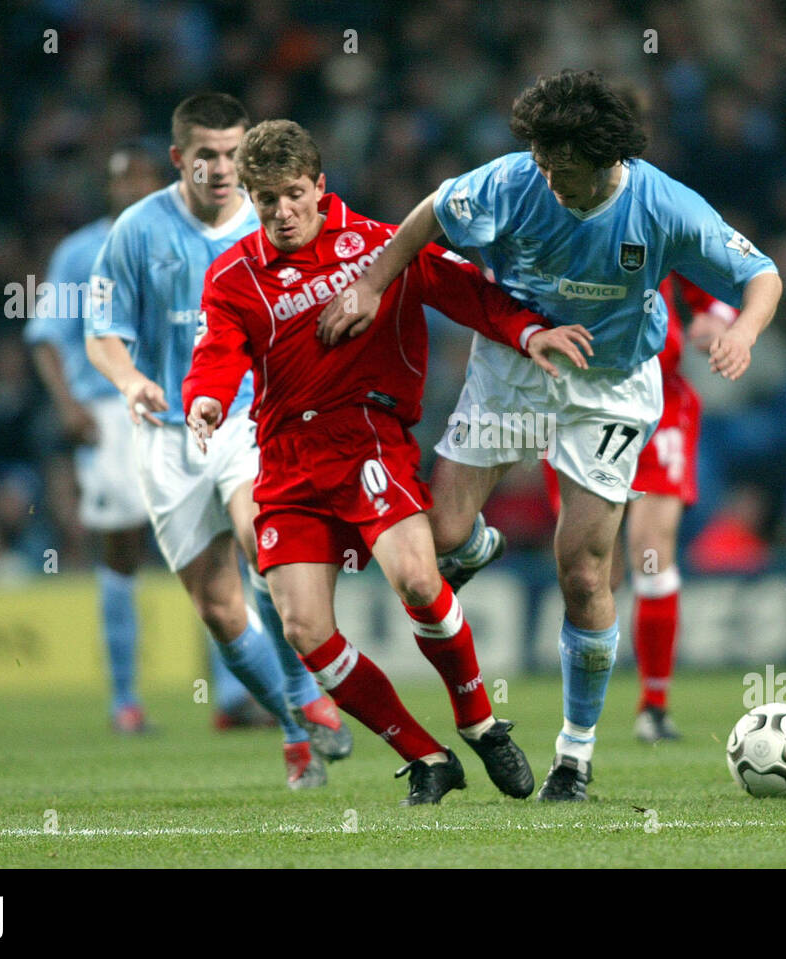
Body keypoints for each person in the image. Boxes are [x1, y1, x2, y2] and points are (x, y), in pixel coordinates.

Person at [317, 70, 782, 800]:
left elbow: (762, 275)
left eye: (558, 166)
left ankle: (575, 757)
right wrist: (372, 284)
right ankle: (477, 546)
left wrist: (745, 332)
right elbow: (431, 213)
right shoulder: (513, 180)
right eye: (537, 157)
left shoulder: (665, 207)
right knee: (438, 535)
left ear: (602, 160)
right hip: (517, 362)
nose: (544, 174)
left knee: (585, 572)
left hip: (608, 386)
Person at [184, 119, 594, 805]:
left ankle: (481, 723)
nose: (281, 213)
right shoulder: (232, 275)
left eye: (292, 194)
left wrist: (530, 331)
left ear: (320, 186)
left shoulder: (379, 247)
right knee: (304, 628)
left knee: (413, 577)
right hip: (286, 461)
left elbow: (468, 292)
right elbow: (217, 351)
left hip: (367, 437)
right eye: (264, 200)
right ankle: (427, 755)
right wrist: (204, 401)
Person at [85, 93, 351, 788]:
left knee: (262, 543)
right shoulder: (139, 229)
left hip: (246, 422)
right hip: (165, 435)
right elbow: (100, 329)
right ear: (180, 158)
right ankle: (296, 728)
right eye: (208, 153)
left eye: (234, 152)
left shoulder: (274, 224)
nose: (223, 166)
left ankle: (307, 695)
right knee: (218, 609)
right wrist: (129, 379)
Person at [542, 273, 737, 743]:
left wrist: (717, 317)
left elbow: (722, 283)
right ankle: (583, 719)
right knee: (593, 578)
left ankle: (654, 706)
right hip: (577, 409)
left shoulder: (659, 211)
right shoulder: (549, 219)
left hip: (658, 401)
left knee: (652, 549)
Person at [24, 142, 164, 733]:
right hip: (108, 412)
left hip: (181, 407)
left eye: (138, 176)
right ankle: (124, 700)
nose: (128, 186)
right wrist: (68, 404)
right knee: (122, 547)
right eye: (118, 177)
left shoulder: (181, 244)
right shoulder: (78, 252)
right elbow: (47, 334)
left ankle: (236, 698)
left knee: (218, 545)